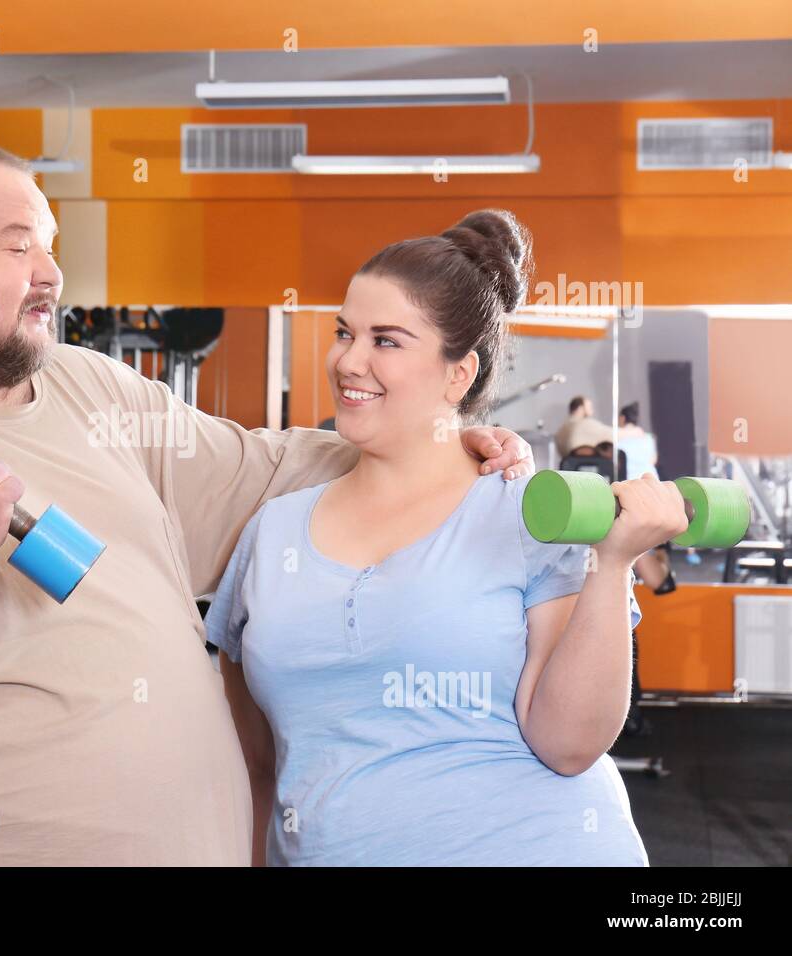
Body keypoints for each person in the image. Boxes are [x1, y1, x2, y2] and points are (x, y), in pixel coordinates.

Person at [0, 134, 534, 866]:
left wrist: (433, 447)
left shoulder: (90, 387)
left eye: (50, 247)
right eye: (18, 246)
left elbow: (261, 474)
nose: (50, 273)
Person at [206, 210, 683, 866]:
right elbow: (257, 766)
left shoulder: (527, 513)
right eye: (344, 332)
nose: (348, 360)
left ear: (459, 374)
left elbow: (569, 744)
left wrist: (614, 562)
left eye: (387, 341)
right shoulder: (272, 533)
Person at [618, 402, 659, 481]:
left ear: (622, 418)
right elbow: (653, 460)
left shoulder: (618, 438)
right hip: (652, 479)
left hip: (631, 481)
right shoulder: (648, 438)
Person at [554, 394, 595, 459]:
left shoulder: (562, 428)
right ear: (580, 408)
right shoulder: (584, 424)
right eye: (589, 407)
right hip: (584, 462)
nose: (592, 410)